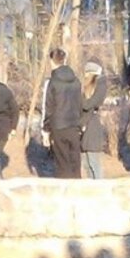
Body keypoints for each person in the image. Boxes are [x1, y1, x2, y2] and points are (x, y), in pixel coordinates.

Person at [41, 48, 83, 179]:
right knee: (75, 162)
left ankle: (65, 193)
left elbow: (48, 107)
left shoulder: (51, 82)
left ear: (51, 61)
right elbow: (80, 103)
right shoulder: (76, 81)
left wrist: (45, 131)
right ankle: (77, 190)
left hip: (58, 126)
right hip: (74, 125)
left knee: (62, 163)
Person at [80, 61, 108, 180]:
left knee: (94, 162)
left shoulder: (100, 86)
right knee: (86, 163)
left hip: (92, 128)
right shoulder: (86, 89)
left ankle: (99, 187)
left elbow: (88, 105)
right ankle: (92, 186)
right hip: (84, 127)